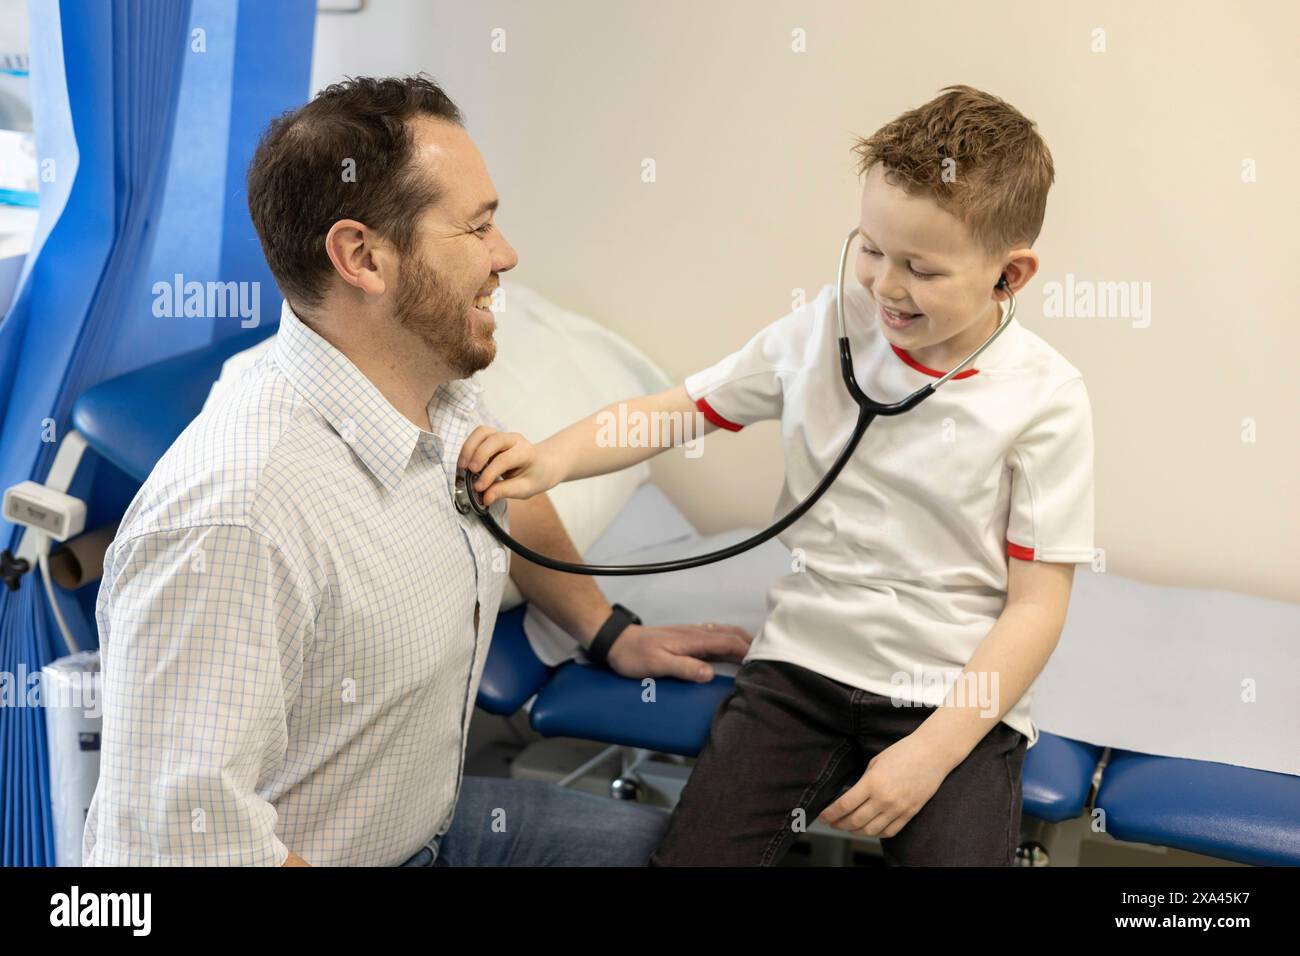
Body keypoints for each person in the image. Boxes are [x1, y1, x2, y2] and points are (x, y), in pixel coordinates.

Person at [84, 75, 753, 867]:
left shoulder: (432, 383)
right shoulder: (236, 519)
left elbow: (503, 489)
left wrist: (608, 631)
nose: (506, 255)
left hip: (432, 824)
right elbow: (186, 852)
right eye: (477, 227)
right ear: (363, 257)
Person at [457, 85, 1095, 866]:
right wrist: (551, 458)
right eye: (871, 249)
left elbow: (1036, 608)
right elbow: (677, 410)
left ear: (1010, 274)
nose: (885, 287)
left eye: (921, 269)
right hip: (803, 668)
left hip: (953, 690)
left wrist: (930, 755)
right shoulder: (828, 327)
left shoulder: (1046, 399)